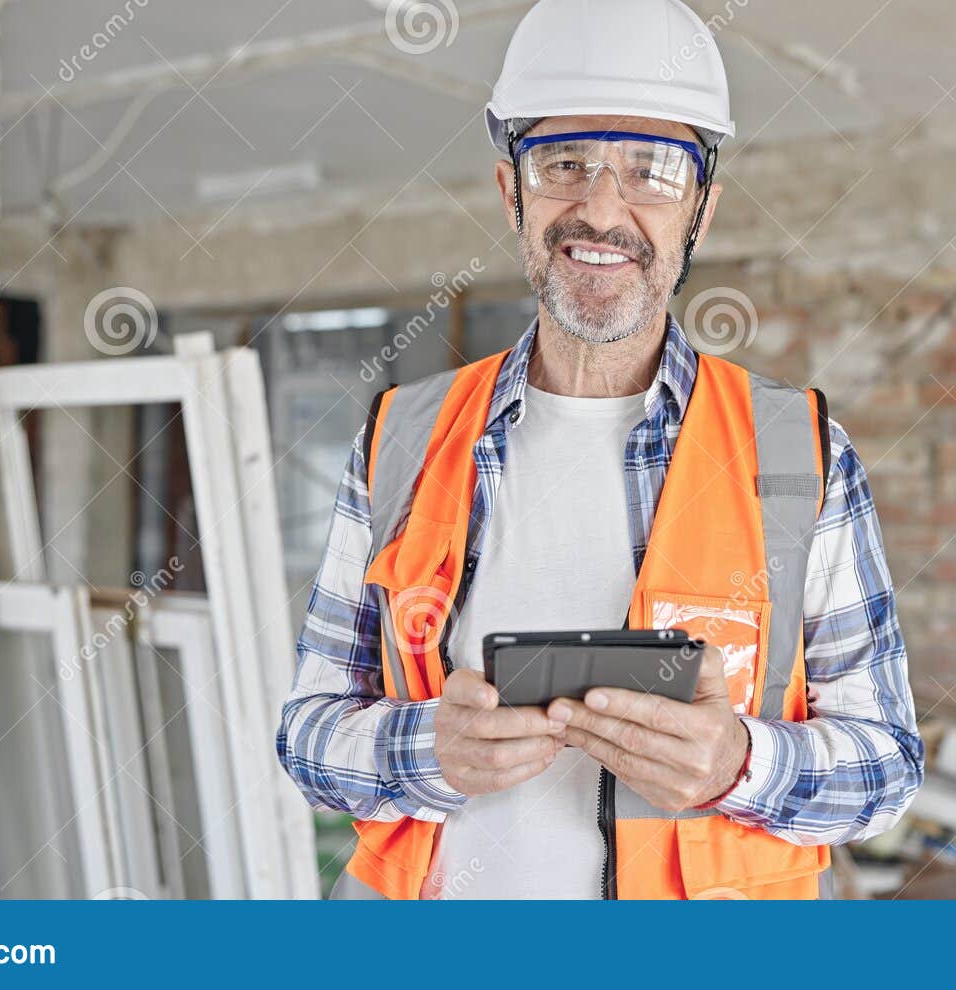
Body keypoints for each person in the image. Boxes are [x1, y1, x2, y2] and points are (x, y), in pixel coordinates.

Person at [277, 0, 922, 900]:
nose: (602, 209)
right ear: (512, 191)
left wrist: (741, 761)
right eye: (565, 163)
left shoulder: (797, 454)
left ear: (700, 208)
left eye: (655, 171)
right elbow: (308, 737)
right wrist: (423, 748)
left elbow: (888, 767)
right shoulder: (401, 440)